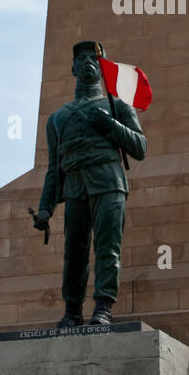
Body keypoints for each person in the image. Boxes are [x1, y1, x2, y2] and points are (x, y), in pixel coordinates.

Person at [31, 40, 147, 327]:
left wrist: (110, 124)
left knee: (108, 248)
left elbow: (140, 147)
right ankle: (72, 312)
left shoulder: (117, 106)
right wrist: (45, 209)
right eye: (81, 58)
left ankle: (103, 308)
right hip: (75, 187)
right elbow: (54, 169)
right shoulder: (57, 118)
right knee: (74, 253)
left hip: (109, 182)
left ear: (102, 68)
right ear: (72, 68)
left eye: (94, 58)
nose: (87, 62)